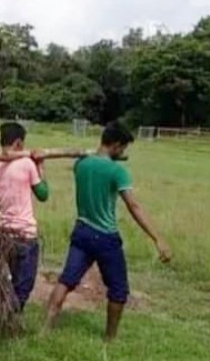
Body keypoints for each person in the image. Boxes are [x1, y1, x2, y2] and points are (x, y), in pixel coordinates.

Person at [44, 122, 172, 341]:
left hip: (81, 232)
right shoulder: (117, 171)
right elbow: (134, 206)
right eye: (123, 148)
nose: (123, 153)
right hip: (105, 237)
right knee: (118, 290)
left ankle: (45, 329)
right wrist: (157, 238)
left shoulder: (81, 164)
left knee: (66, 281)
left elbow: (93, 164)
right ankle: (110, 339)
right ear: (116, 145)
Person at [0, 122, 48, 312]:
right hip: (25, 234)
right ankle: (10, 319)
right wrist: (40, 166)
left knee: (6, 281)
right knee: (23, 287)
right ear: (19, 143)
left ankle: (2, 314)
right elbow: (43, 194)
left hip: (3, 233)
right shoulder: (27, 164)